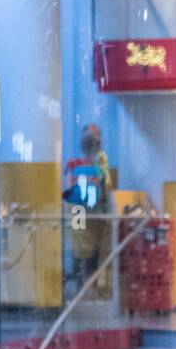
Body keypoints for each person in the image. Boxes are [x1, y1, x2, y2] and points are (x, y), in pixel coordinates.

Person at [64, 124, 111, 290]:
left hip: (91, 211)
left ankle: (88, 286)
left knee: (90, 250)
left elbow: (104, 187)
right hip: (80, 210)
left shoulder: (99, 163)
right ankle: (83, 286)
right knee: (81, 248)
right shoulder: (77, 164)